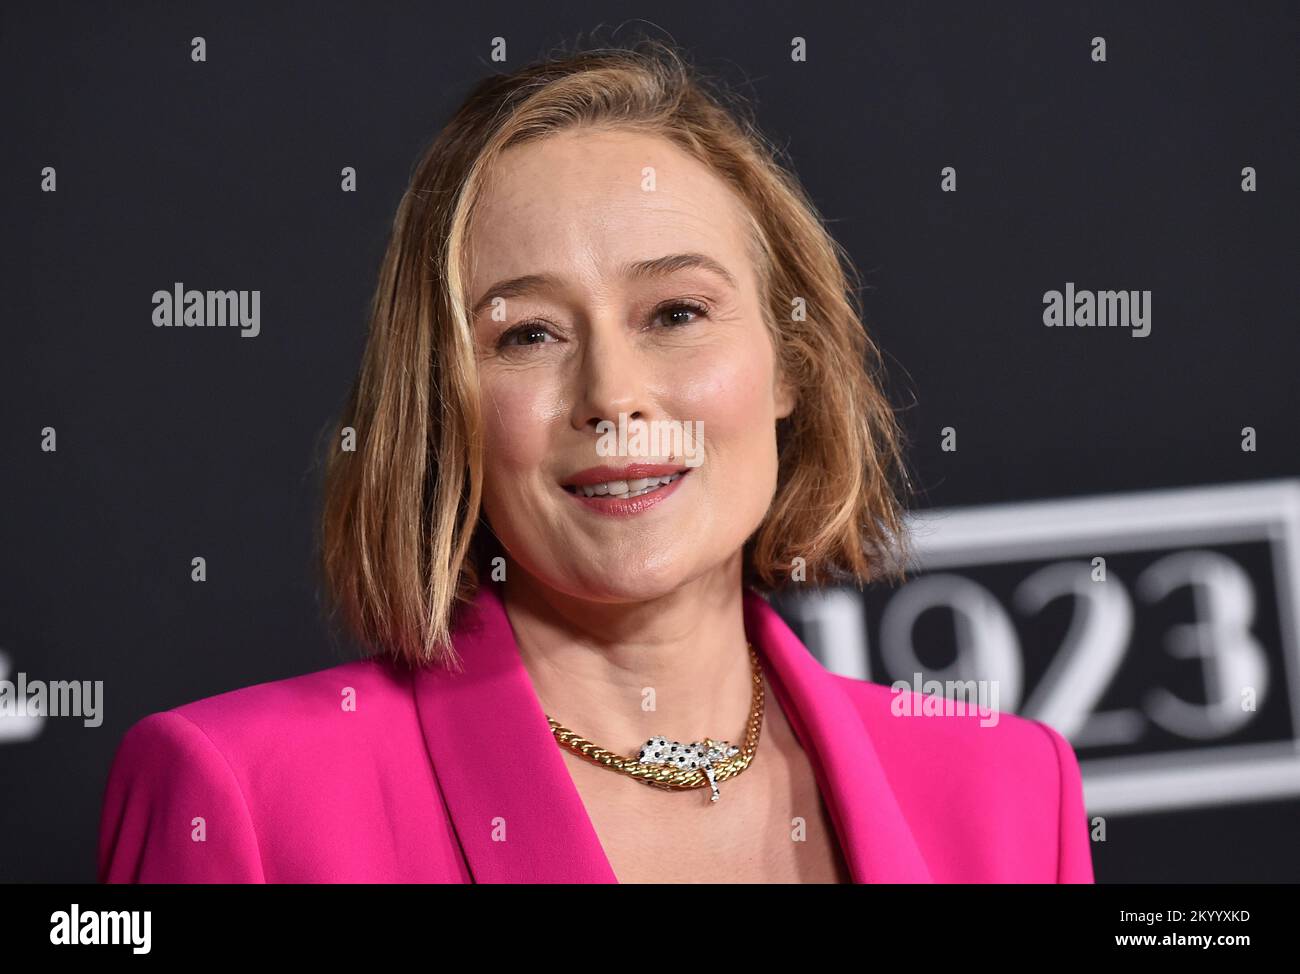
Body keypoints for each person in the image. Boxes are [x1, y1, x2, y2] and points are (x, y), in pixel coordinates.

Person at [98, 39, 1093, 884]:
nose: (612, 394)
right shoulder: (240, 797)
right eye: (527, 334)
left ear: (789, 362)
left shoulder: (1011, 788)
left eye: (675, 313)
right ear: (441, 404)